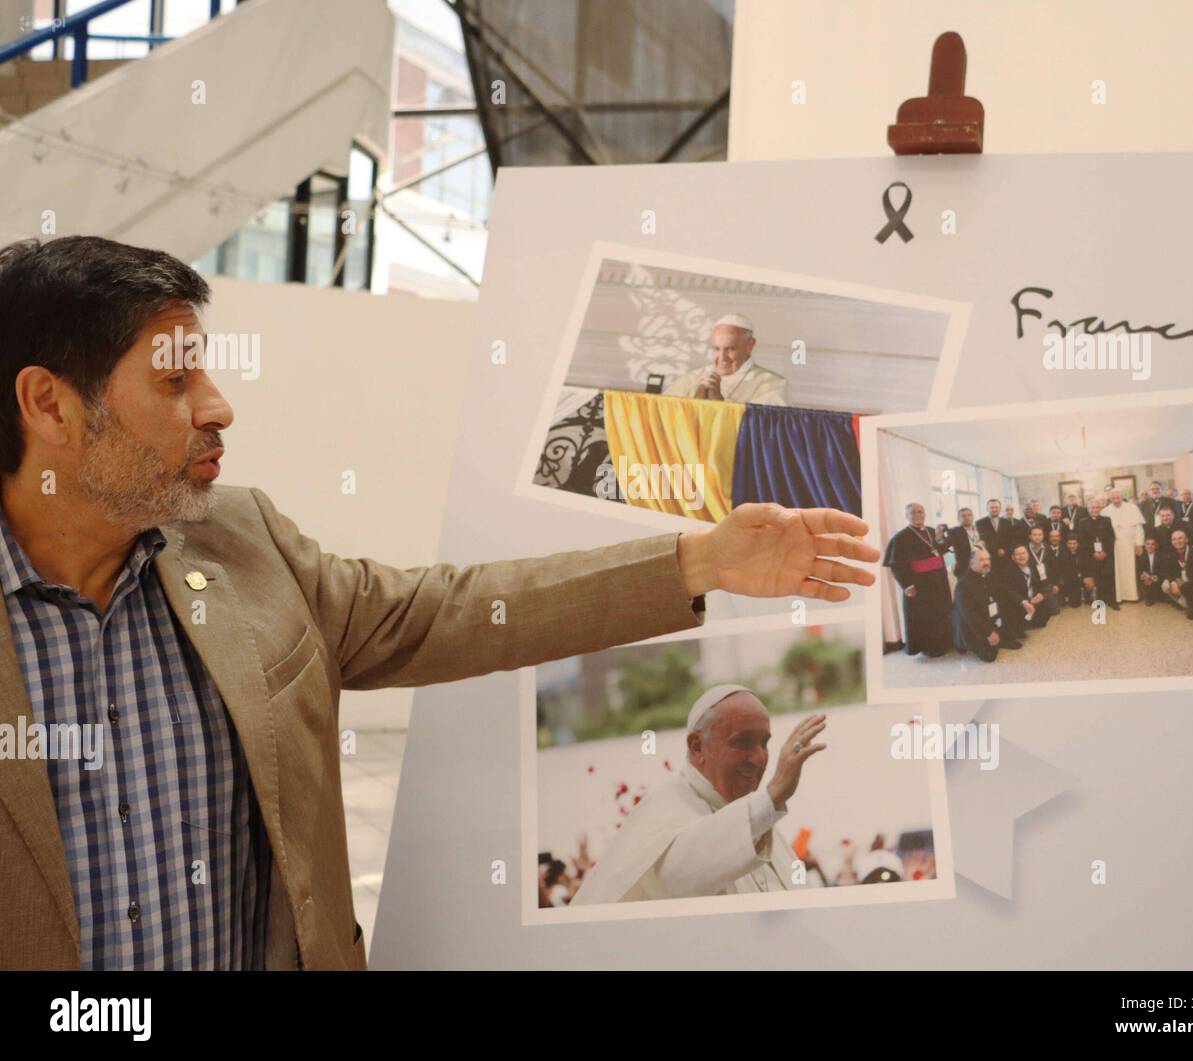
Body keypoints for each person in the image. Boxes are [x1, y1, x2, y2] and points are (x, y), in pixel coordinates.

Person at [0, 237, 878, 971]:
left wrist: (698, 559)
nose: (219, 406)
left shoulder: (242, 543)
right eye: (174, 382)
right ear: (50, 404)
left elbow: (450, 611)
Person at [569, 686, 820, 904]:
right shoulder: (663, 810)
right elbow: (680, 876)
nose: (758, 758)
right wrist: (773, 794)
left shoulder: (763, 825)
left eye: (764, 743)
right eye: (742, 742)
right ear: (697, 747)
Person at [664, 314, 788, 405]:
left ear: (750, 346)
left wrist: (720, 402)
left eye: (730, 349)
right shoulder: (690, 379)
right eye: (716, 349)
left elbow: (761, 430)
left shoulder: (772, 384)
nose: (722, 358)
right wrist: (691, 404)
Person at [883, 503, 952, 658]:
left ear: (924, 514)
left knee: (941, 611)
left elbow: (940, 551)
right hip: (920, 583)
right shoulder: (900, 537)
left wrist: (942, 540)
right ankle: (929, 648)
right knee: (925, 616)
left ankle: (945, 642)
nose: (917, 515)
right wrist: (906, 585)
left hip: (939, 581)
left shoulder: (932, 531)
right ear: (907, 516)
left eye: (920, 512)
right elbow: (896, 565)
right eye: (913, 512)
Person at [951, 548, 1021, 660]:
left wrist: (1022, 602)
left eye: (988, 559)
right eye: (982, 560)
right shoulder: (963, 585)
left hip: (988, 617)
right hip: (971, 626)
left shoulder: (990, 575)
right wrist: (988, 633)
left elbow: (1004, 592)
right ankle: (994, 638)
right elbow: (969, 615)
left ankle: (999, 636)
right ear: (971, 563)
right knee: (990, 656)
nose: (986, 563)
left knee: (1009, 607)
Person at [1076, 497, 1119, 608]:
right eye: (1092, 507)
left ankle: (1111, 601)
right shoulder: (1082, 522)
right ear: (1088, 509)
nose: (1094, 509)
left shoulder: (1106, 520)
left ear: (1100, 508)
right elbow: (1082, 540)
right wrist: (1093, 552)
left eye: (1096, 507)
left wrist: (1105, 552)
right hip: (1090, 556)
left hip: (1106, 555)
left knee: (1108, 577)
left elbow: (1111, 538)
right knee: (1096, 577)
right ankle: (1099, 601)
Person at [1104, 488, 1144, 603]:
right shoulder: (1105, 511)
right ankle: (1120, 596)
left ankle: (1133, 596)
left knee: (1131, 571)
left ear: (1122, 496)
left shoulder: (1132, 507)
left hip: (1131, 544)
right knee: (1118, 572)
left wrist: (1139, 544)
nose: (1116, 500)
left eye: (1118, 497)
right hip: (1115, 546)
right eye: (1113, 498)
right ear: (1110, 498)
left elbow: (1139, 528)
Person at [1000, 544, 1053, 629]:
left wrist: (1041, 595)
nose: (1021, 556)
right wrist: (1023, 602)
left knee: (1044, 618)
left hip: (1034, 600)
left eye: (1023, 553)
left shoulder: (1035, 566)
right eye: (1018, 554)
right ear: (1013, 557)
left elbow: (1044, 583)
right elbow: (1009, 591)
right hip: (1020, 603)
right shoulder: (1007, 571)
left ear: (1028, 555)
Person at [1027, 527, 1062, 615]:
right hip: (1031, 583)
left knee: (1055, 611)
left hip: (1045, 583)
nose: (1037, 537)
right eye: (1034, 534)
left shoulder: (1047, 548)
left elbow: (1054, 568)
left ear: (1043, 536)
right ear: (1030, 536)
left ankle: (1043, 597)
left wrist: (1055, 584)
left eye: (1040, 534)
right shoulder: (1025, 549)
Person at [1160, 529, 1193, 609]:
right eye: (1174, 539)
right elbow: (1168, 571)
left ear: (1186, 539)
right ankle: (1182, 602)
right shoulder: (1172, 555)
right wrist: (1173, 581)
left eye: (1180, 538)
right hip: (1181, 581)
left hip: (1192, 584)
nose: (1177, 541)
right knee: (1165, 585)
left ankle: (1188, 602)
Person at [975, 499, 1012, 566]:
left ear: (1000, 508)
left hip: (1005, 557)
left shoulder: (1007, 522)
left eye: (996, 507)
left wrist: (1004, 549)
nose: (994, 509)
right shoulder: (980, 523)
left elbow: (1009, 539)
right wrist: (995, 552)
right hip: (988, 558)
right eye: (991, 507)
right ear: (987, 509)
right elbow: (983, 539)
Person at [949, 506, 983, 574]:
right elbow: (946, 545)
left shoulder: (980, 529)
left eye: (969, 515)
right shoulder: (954, 532)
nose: (967, 517)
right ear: (959, 518)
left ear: (973, 517)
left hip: (981, 565)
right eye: (963, 516)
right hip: (965, 569)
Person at [1137, 536, 1165, 605]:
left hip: (1157, 577)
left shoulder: (1161, 556)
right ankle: (1148, 597)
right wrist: (1147, 577)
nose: (1150, 546)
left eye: (1152, 544)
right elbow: (1139, 570)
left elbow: (1163, 570)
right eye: (1148, 544)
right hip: (1146, 578)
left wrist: (1154, 577)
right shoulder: (1142, 556)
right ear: (1145, 545)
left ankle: (1158, 595)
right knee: (1144, 579)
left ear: (1156, 546)